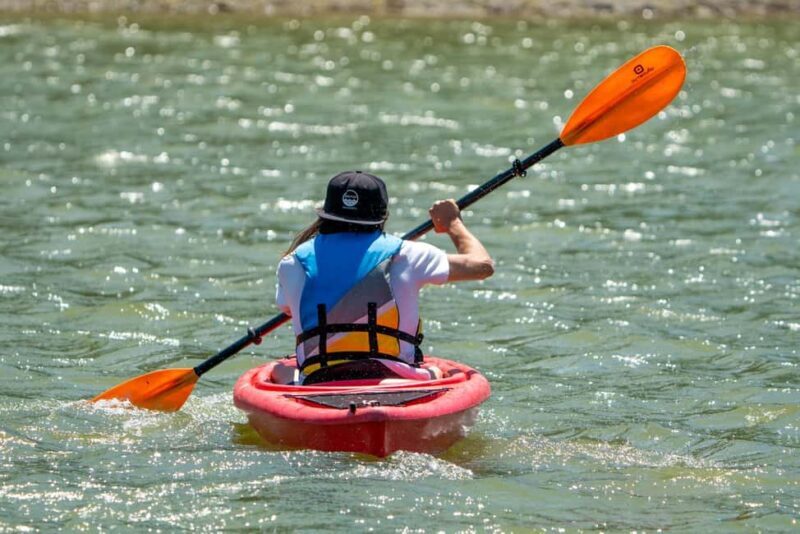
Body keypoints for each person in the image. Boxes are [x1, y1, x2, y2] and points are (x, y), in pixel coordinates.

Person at [275, 170, 494, 385]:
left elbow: (288, 308)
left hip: (319, 380)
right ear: (383, 215)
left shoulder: (292, 262)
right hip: (395, 377)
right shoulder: (408, 254)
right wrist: (453, 223)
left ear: (326, 214)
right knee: (436, 371)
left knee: (279, 370)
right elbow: (483, 266)